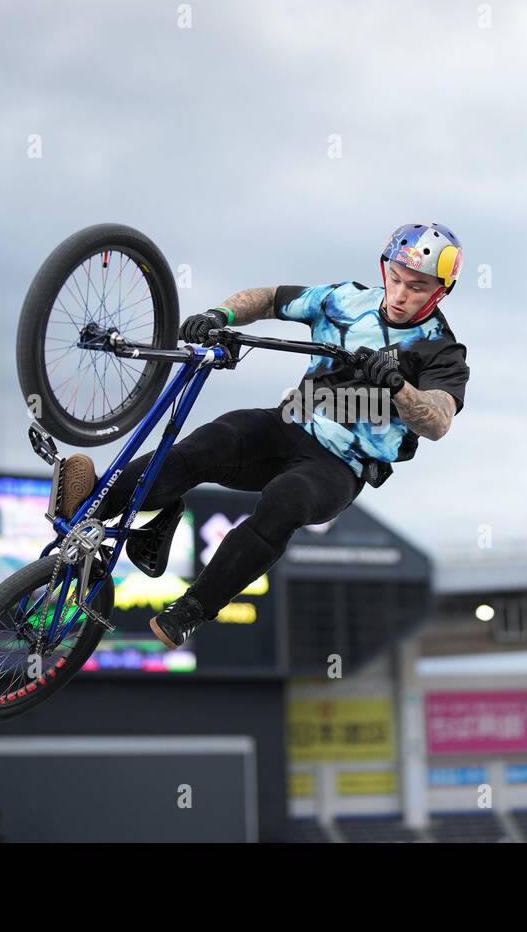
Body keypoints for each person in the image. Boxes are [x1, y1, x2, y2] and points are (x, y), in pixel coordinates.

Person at [57, 222, 470, 649]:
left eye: (417, 288)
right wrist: (219, 316)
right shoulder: (345, 300)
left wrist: (398, 386)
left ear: (441, 291)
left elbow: (438, 421)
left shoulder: (441, 350)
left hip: (339, 467)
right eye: (395, 279)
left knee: (285, 501)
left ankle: (193, 609)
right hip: (286, 427)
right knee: (211, 441)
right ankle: (96, 507)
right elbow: (270, 299)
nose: (400, 295)